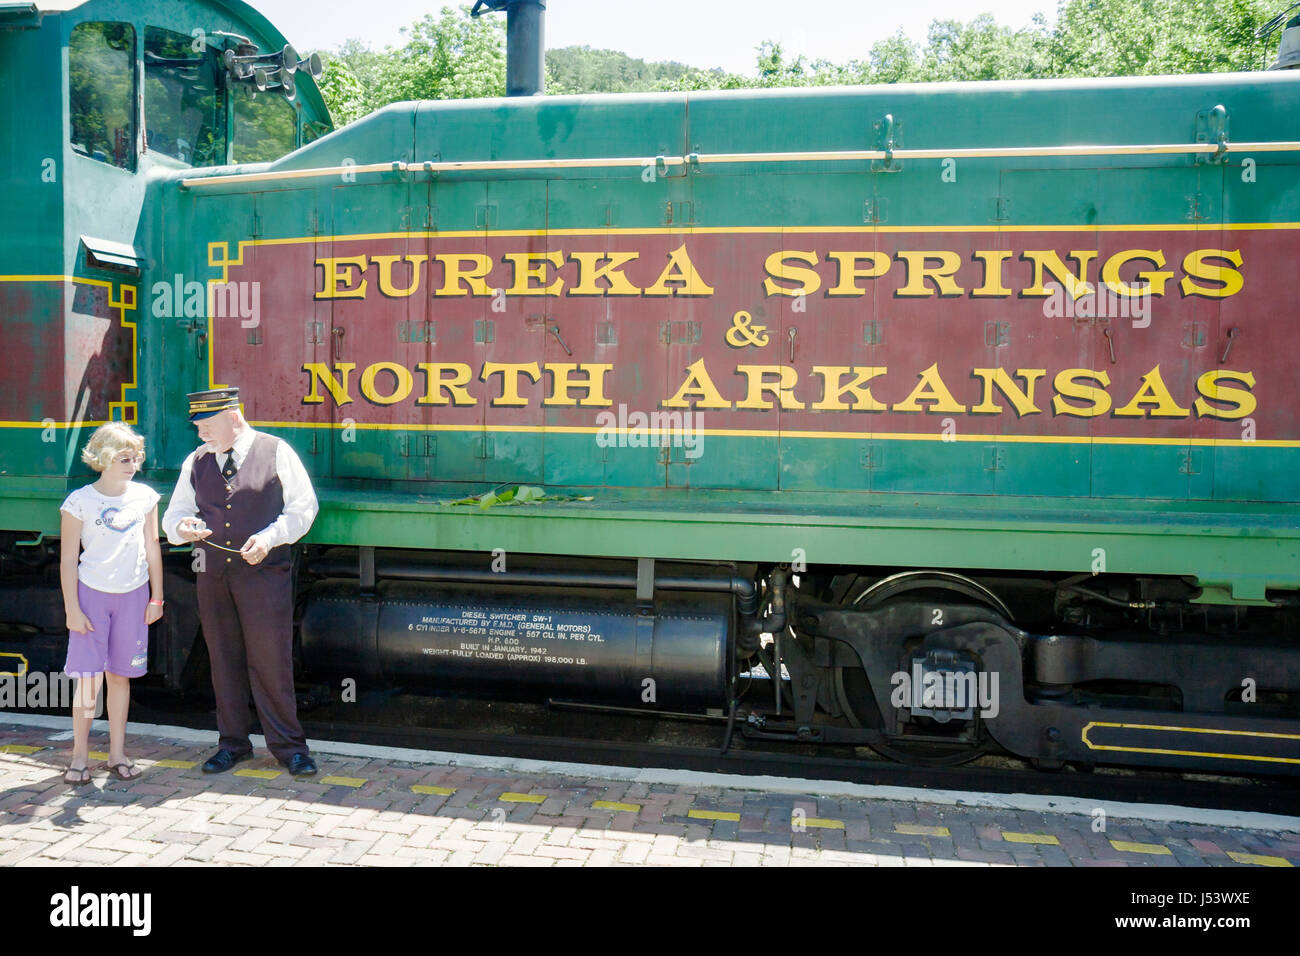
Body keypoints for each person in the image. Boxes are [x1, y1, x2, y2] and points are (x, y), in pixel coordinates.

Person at [161, 388, 320, 776]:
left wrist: (268, 538)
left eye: (207, 426)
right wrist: (183, 527)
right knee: (223, 661)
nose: (201, 435)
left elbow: (304, 508)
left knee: (271, 661)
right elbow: (173, 517)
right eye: (197, 427)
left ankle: (290, 748)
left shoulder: (275, 451)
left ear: (234, 417)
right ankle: (233, 744)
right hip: (213, 576)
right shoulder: (196, 461)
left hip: (265, 575)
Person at [58, 423, 163, 785]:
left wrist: (156, 597)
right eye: (123, 458)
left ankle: (117, 753)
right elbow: (68, 559)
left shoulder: (146, 497)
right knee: (88, 681)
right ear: (102, 459)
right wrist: (72, 608)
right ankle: (79, 757)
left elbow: (153, 548)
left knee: (120, 678)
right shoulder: (79, 502)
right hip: (91, 596)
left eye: (135, 457)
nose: (132, 464)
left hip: (133, 596)